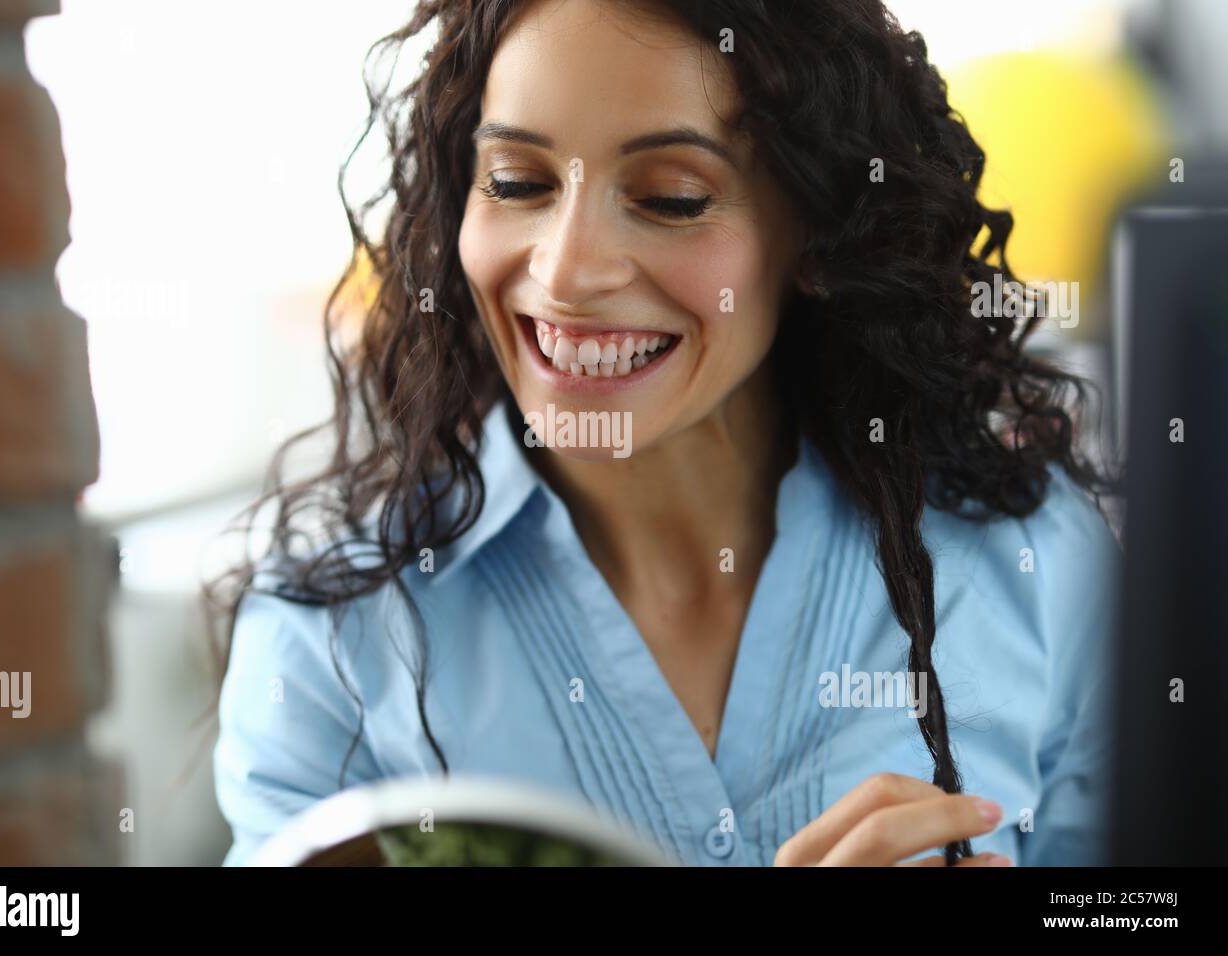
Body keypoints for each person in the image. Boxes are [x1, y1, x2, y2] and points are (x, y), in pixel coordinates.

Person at [209, 0, 1121, 867]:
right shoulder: (330, 636)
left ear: (815, 229)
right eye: (518, 183)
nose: (566, 272)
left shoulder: (1035, 565)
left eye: (673, 198)